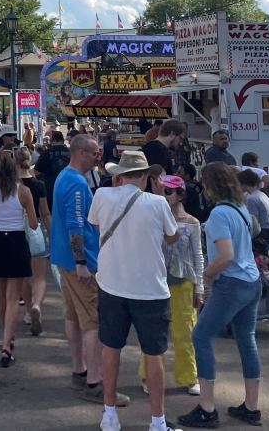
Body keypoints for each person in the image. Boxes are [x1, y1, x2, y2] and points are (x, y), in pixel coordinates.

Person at [88, 150, 179, 431]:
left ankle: (110, 415)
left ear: (119, 176)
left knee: (111, 349)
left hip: (112, 284)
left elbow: (98, 225)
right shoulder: (157, 203)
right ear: (146, 177)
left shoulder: (102, 196)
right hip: (150, 288)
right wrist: (161, 195)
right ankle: (157, 421)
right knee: (154, 355)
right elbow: (172, 236)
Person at [178, 162, 263, 429]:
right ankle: (251, 406)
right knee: (246, 341)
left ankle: (207, 407)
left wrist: (206, 276)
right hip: (251, 281)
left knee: (201, 336)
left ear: (211, 185)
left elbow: (226, 256)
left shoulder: (218, 215)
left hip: (232, 283)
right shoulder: (240, 208)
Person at [50, 134, 130, 406]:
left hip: (64, 259)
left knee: (73, 315)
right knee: (92, 320)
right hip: (79, 263)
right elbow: (75, 224)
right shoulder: (75, 182)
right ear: (81, 153)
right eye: (95, 152)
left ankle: (80, 370)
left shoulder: (65, 177)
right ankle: (95, 381)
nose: (99, 156)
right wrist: (82, 262)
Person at [140, 174, 203, 398]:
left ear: (180, 195)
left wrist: (200, 288)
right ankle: (149, 375)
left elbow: (198, 256)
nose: (164, 196)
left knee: (185, 331)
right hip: (156, 282)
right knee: (154, 332)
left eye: (168, 192)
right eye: (160, 191)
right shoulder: (153, 219)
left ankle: (189, 377)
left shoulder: (192, 223)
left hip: (184, 282)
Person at [0, 149, 38, 368]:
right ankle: (7, 344)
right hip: (15, 241)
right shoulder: (23, 192)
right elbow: (33, 224)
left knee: (1, 295)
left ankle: (7, 334)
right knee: (14, 297)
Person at [16, 149, 53, 336]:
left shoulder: (12, 186)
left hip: (17, 231)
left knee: (23, 275)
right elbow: (45, 213)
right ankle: (38, 305)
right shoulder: (39, 185)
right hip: (36, 228)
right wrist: (52, 234)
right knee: (40, 276)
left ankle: (29, 311)